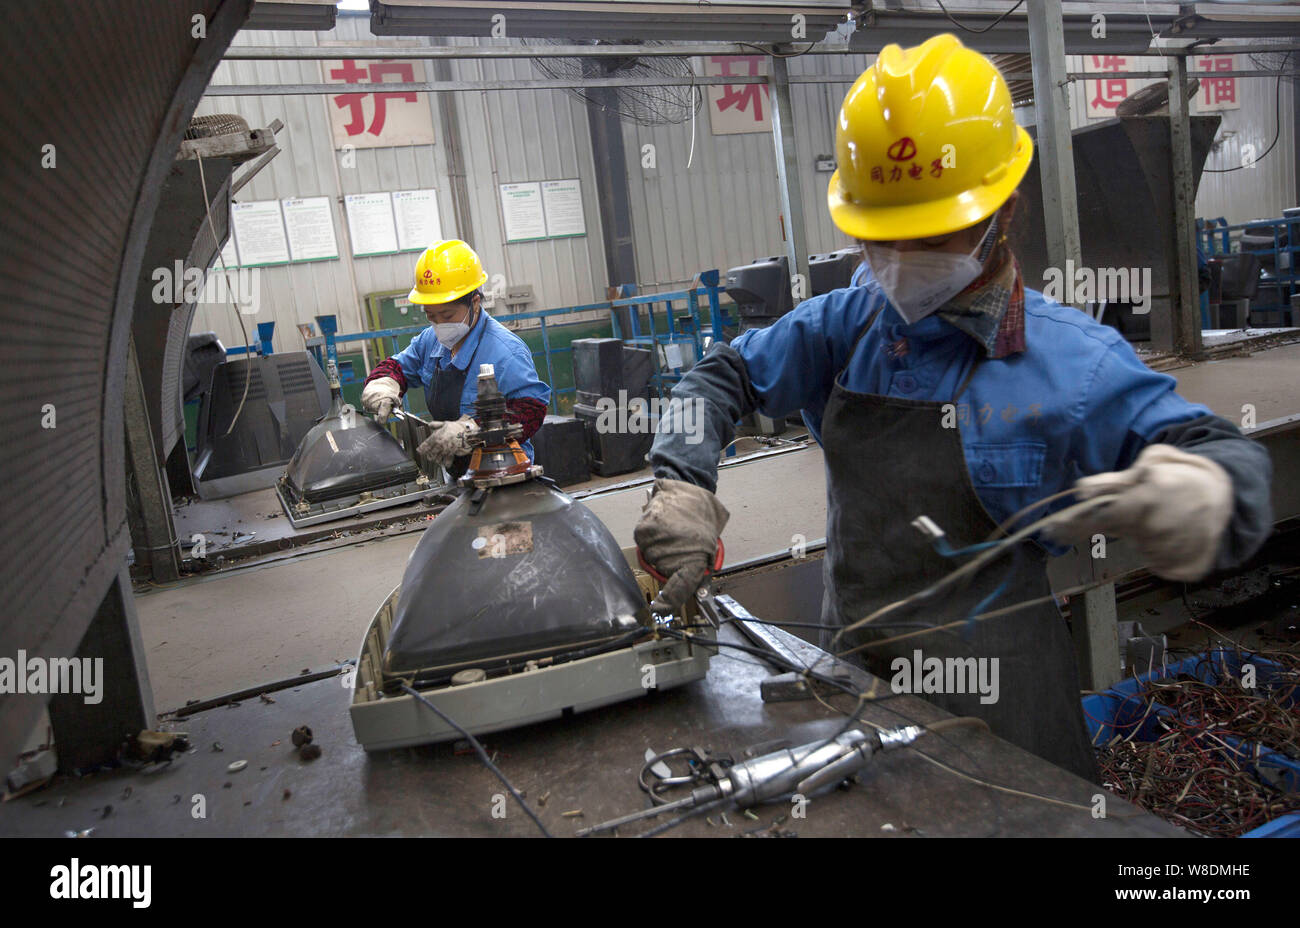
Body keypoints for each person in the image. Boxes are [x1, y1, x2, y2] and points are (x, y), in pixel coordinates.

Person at [633, 34, 1272, 781]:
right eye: (883, 237)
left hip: (1008, 724)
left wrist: (1209, 493)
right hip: (857, 692)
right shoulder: (846, 325)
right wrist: (681, 477)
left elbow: (1224, 456)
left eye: (931, 235)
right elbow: (718, 379)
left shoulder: (1074, 365)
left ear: (1002, 210)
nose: (902, 262)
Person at [360, 239, 551, 479]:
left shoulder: (506, 352)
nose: (440, 324)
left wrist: (472, 431)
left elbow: (531, 411)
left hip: (502, 474)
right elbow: (397, 366)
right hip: (455, 473)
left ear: (474, 302)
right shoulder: (430, 341)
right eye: (431, 316)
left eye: (447, 314)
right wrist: (383, 385)